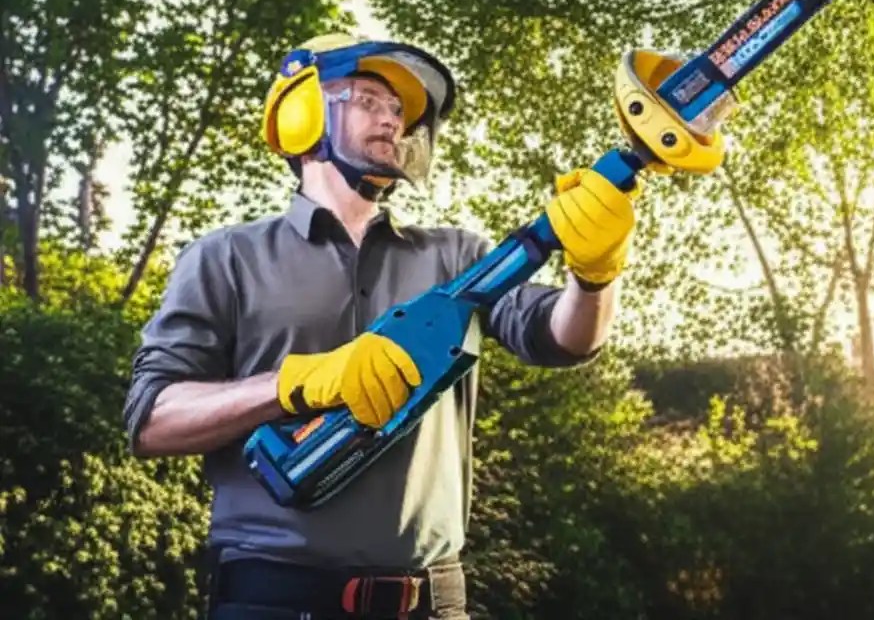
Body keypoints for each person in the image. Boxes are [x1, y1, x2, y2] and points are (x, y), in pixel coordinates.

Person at [122, 33, 640, 619]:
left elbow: (566, 338)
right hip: (271, 600)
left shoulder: (456, 257)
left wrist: (595, 275)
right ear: (301, 113)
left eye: (398, 110)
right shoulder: (227, 258)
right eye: (369, 100)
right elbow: (152, 421)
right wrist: (292, 384)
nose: (392, 120)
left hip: (431, 604)